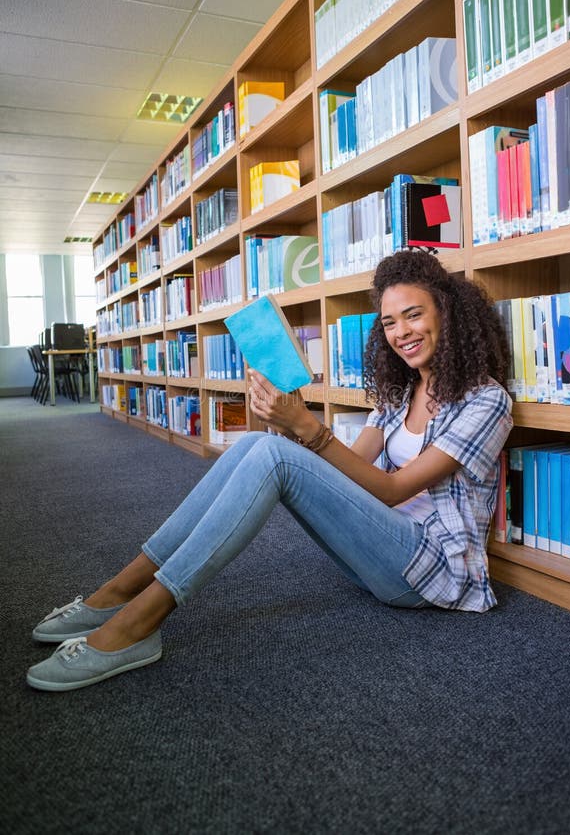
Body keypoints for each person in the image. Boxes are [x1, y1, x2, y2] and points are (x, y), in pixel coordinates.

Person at [27, 249, 513, 692]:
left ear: (445, 314)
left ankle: (138, 622)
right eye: (389, 323)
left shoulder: (486, 400)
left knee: (274, 454)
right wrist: (292, 425)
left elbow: (391, 489)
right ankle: (119, 591)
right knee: (262, 444)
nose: (401, 333)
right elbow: (354, 470)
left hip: (434, 572)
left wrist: (308, 430)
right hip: (383, 547)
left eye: (413, 315)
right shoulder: (400, 394)